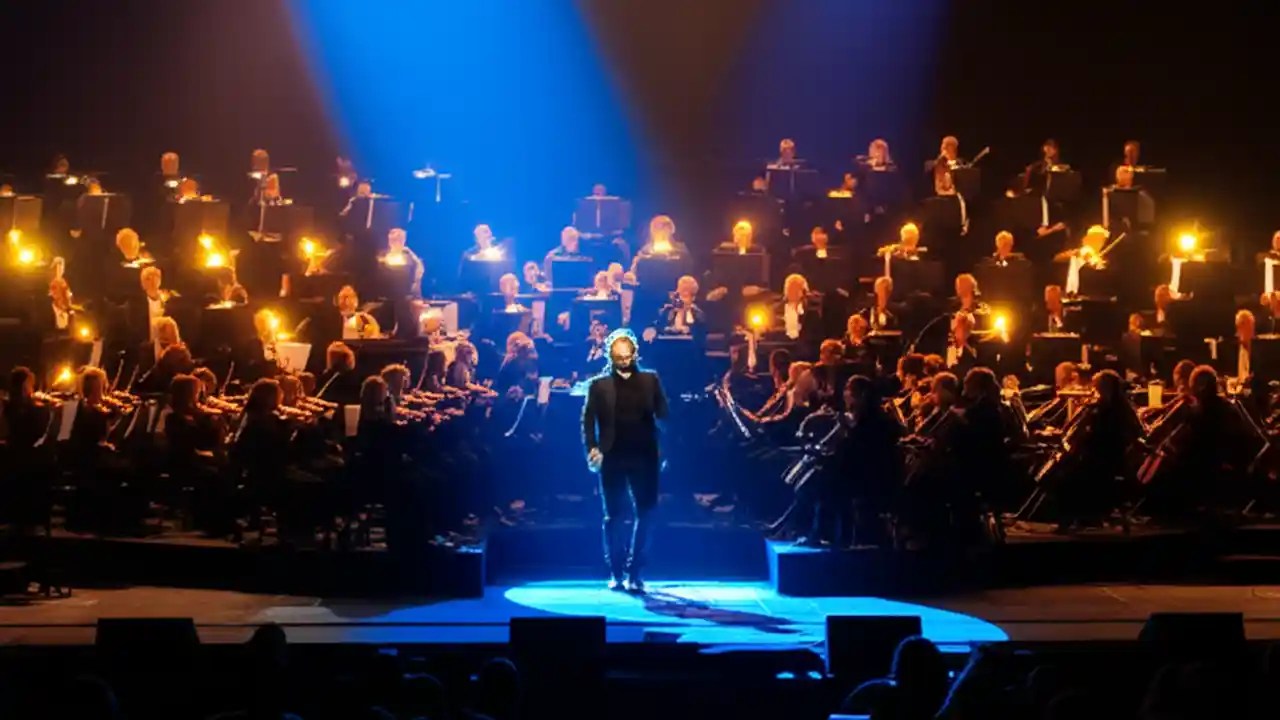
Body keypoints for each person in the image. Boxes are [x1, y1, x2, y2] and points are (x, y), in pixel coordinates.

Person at [582, 329, 669, 593]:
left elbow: (664, 416)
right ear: (610, 356)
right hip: (612, 456)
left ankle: (635, 571)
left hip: (644, 455)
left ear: (634, 354)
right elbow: (588, 421)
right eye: (618, 357)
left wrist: (664, 447)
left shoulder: (650, 380)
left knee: (646, 513)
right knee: (614, 516)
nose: (623, 361)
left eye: (627, 356)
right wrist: (592, 448)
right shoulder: (598, 385)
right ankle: (616, 571)